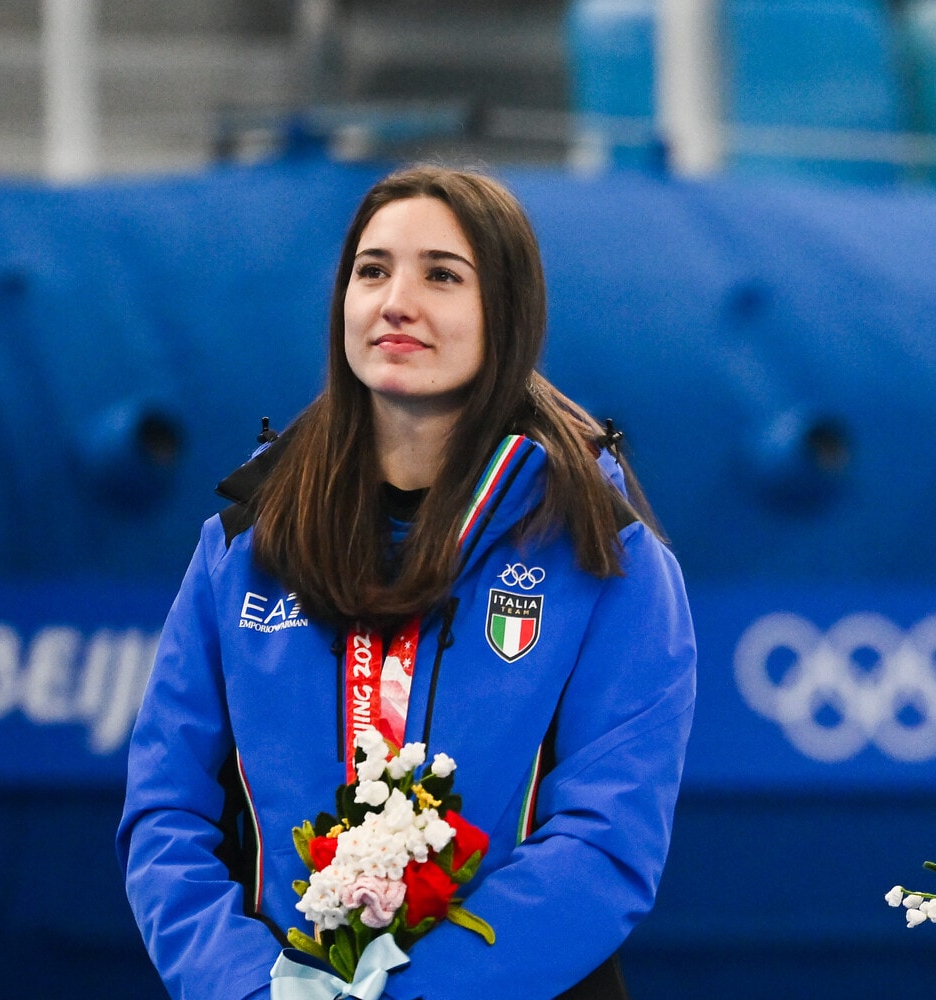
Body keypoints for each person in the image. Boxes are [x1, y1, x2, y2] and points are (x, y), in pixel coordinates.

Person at [117, 166, 696, 1000]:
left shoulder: (605, 554)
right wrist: (248, 990)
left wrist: (421, 994)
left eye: (442, 275)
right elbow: (165, 815)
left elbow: (606, 843)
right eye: (373, 269)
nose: (397, 301)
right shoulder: (244, 545)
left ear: (508, 311)